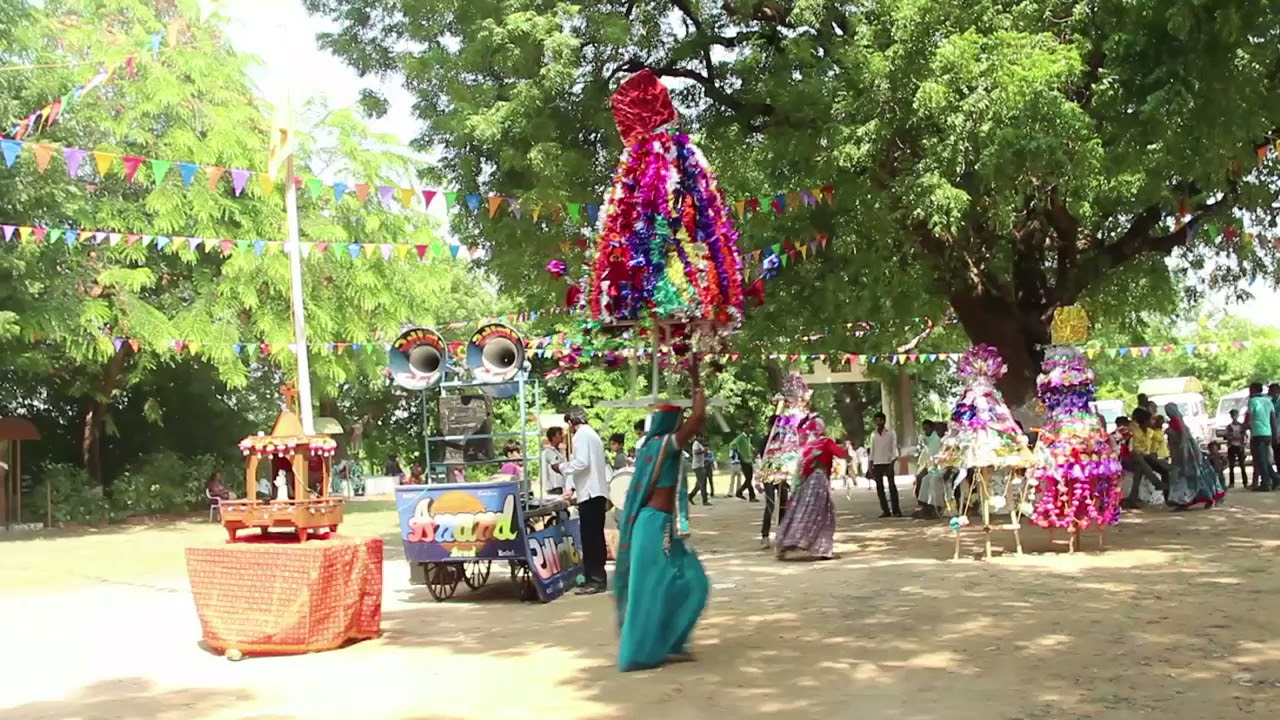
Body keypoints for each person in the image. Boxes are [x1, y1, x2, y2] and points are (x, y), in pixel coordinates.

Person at [614, 379, 709, 672]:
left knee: (691, 581)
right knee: (652, 590)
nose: (682, 424)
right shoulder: (662, 445)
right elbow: (698, 418)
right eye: (678, 419)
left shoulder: (660, 449)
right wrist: (697, 384)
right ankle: (641, 652)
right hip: (654, 528)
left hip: (665, 528)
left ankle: (669, 643)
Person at [555, 407, 611, 594]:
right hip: (596, 491)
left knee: (590, 538)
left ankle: (595, 580)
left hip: (589, 493)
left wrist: (562, 467)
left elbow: (581, 463)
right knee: (595, 536)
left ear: (571, 422)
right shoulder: (593, 435)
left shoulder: (581, 436)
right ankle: (595, 577)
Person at [775, 417, 846, 559]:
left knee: (800, 512)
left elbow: (802, 467)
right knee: (823, 515)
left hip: (806, 484)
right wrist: (847, 450)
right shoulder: (825, 442)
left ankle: (787, 543)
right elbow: (841, 454)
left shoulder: (808, 445)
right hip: (819, 482)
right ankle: (822, 549)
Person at [1165, 403, 1225, 509]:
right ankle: (1185, 500)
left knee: (1188, 477)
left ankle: (1186, 500)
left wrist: (1183, 451)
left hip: (1186, 454)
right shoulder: (1177, 421)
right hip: (1186, 454)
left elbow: (1183, 437)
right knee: (1192, 477)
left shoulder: (1176, 422)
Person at [1116, 414, 1162, 508]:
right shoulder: (1129, 431)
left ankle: (1133, 498)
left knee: (1138, 474)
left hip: (1133, 456)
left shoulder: (1141, 431)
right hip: (1127, 458)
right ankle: (1156, 482)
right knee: (1139, 463)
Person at [868, 412, 903, 518]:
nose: (878, 423)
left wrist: (892, 463)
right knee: (880, 488)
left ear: (884, 421)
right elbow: (872, 450)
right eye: (877, 420)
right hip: (877, 463)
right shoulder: (873, 435)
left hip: (888, 462)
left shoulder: (891, 433)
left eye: (880, 420)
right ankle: (885, 510)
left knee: (892, 487)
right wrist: (870, 465)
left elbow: (894, 449)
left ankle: (896, 510)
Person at [1245, 382, 1277, 492]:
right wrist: (1275, 435)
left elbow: (1248, 418)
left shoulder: (1252, 401)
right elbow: (1273, 419)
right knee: (1265, 460)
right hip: (1268, 433)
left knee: (1260, 460)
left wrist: (1243, 429)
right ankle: (1274, 478)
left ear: (1253, 390)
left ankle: (1267, 482)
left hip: (1258, 433)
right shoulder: (1268, 401)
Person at [1224, 408, 1249, 488]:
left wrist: (1244, 443)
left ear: (1237, 416)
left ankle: (1245, 482)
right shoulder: (1229, 427)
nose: (1234, 417)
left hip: (1239, 446)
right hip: (1232, 446)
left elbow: (1245, 436)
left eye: (1235, 415)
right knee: (1231, 465)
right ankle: (1231, 483)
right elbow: (1226, 436)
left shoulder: (1241, 426)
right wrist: (1231, 437)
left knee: (1242, 464)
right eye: (1232, 415)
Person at [540, 427, 567, 495]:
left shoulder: (559, 451)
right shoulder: (549, 452)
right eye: (560, 434)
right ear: (553, 437)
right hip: (554, 486)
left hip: (561, 485)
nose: (562, 436)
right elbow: (557, 466)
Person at [689, 435, 711, 505]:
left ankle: (690, 496)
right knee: (703, 483)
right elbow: (696, 452)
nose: (702, 438)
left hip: (701, 465)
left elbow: (702, 454)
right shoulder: (696, 444)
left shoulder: (699, 444)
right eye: (701, 437)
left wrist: (705, 452)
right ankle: (705, 500)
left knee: (699, 484)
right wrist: (703, 451)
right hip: (698, 466)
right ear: (697, 437)